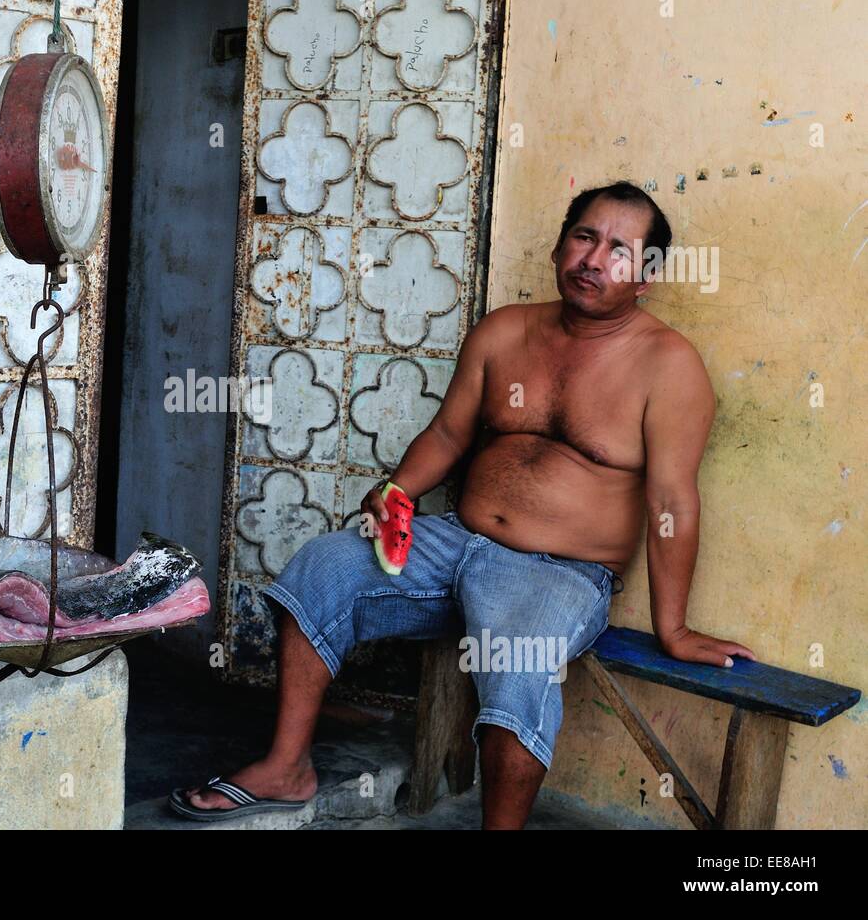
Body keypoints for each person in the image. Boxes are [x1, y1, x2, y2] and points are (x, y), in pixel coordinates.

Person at [171, 181, 755, 828]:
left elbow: (672, 498)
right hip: (453, 540)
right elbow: (449, 434)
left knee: (518, 671)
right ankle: (288, 766)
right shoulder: (506, 330)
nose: (594, 258)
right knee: (323, 568)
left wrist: (672, 626)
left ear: (646, 276)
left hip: (557, 572)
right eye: (585, 236)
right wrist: (400, 491)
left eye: (620, 249)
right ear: (561, 244)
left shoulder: (669, 366)